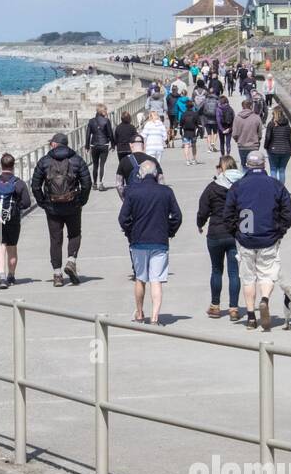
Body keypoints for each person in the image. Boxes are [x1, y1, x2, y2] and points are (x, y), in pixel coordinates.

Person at [223, 150, 291, 331]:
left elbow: (228, 214)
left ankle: (251, 317)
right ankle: (265, 299)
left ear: (246, 165)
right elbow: (287, 213)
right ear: (264, 165)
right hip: (269, 237)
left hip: (245, 238)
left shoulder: (237, 186)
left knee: (248, 278)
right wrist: (280, 231)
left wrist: (236, 233)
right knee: (267, 274)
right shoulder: (276, 185)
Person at [117, 156, 182, 325]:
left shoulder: (132, 191)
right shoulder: (166, 191)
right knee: (156, 280)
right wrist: (170, 231)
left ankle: (139, 313)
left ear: (140, 174)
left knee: (140, 278)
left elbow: (123, 218)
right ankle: (155, 317)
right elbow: (177, 216)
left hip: (138, 240)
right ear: (155, 174)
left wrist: (130, 232)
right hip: (159, 240)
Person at [32, 132, 92, 287]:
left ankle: (57, 275)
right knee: (74, 234)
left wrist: (42, 202)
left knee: (55, 240)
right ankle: (71, 261)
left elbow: (35, 185)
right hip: (73, 205)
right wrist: (81, 200)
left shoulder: (44, 161)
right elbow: (87, 183)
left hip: (52, 207)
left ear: (54, 144)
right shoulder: (77, 160)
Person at [197, 155, 242, 320]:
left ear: (221, 168)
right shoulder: (241, 186)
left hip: (215, 233)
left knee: (216, 270)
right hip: (235, 233)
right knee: (234, 273)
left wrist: (200, 223)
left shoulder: (212, 187)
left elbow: (203, 209)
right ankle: (234, 309)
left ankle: (215, 306)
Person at [0, 153, 34, 290]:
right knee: (12, 249)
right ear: (13, 166)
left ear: (1, 165)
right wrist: (16, 207)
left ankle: (2, 277)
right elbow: (27, 203)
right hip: (13, 219)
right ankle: (11, 276)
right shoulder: (19, 183)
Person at [263, 106, 291, 183]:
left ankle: (275, 187)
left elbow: (268, 137)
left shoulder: (271, 124)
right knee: (282, 170)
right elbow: (290, 139)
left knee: (273, 169)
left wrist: (266, 146)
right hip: (286, 150)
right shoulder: (287, 125)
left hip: (273, 150)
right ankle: (281, 188)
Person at [85, 103, 114, 190]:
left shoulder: (91, 121)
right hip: (104, 144)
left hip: (94, 145)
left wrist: (87, 146)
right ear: (102, 111)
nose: (106, 111)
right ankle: (101, 183)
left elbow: (88, 135)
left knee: (95, 165)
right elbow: (110, 134)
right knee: (102, 165)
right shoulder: (106, 121)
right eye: (105, 110)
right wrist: (113, 144)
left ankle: (94, 184)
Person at [232, 98, 263, 170]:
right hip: (254, 145)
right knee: (254, 165)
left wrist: (238, 140)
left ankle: (245, 180)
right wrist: (257, 140)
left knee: (243, 164)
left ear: (242, 107)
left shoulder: (237, 118)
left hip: (242, 145)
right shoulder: (256, 117)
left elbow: (234, 134)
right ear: (251, 106)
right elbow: (260, 133)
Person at [179, 97, 201, 166]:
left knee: (186, 146)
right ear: (192, 106)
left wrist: (180, 131)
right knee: (194, 145)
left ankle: (187, 160)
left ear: (186, 106)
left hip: (186, 132)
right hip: (193, 132)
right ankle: (194, 159)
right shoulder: (195, 114)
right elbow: (198, 124)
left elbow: (181, 124)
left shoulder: (183, 114)